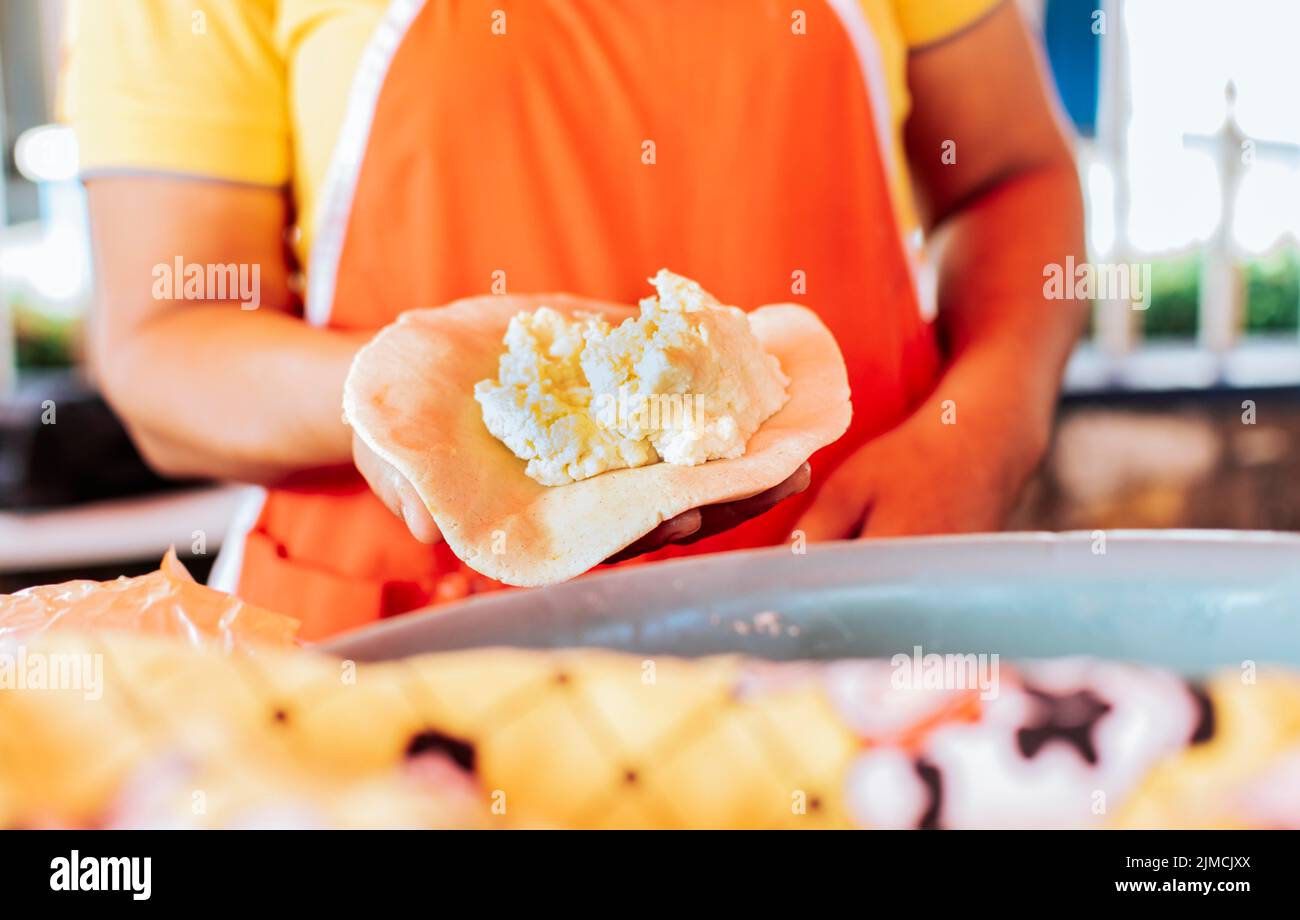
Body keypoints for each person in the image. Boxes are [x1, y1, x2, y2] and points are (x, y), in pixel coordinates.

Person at [64, 0, 1085, 639]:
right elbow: (167, 338)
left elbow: (1012, 175)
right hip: (404, 667)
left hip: (853, 615)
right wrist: (406, 400)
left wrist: (989, 428)